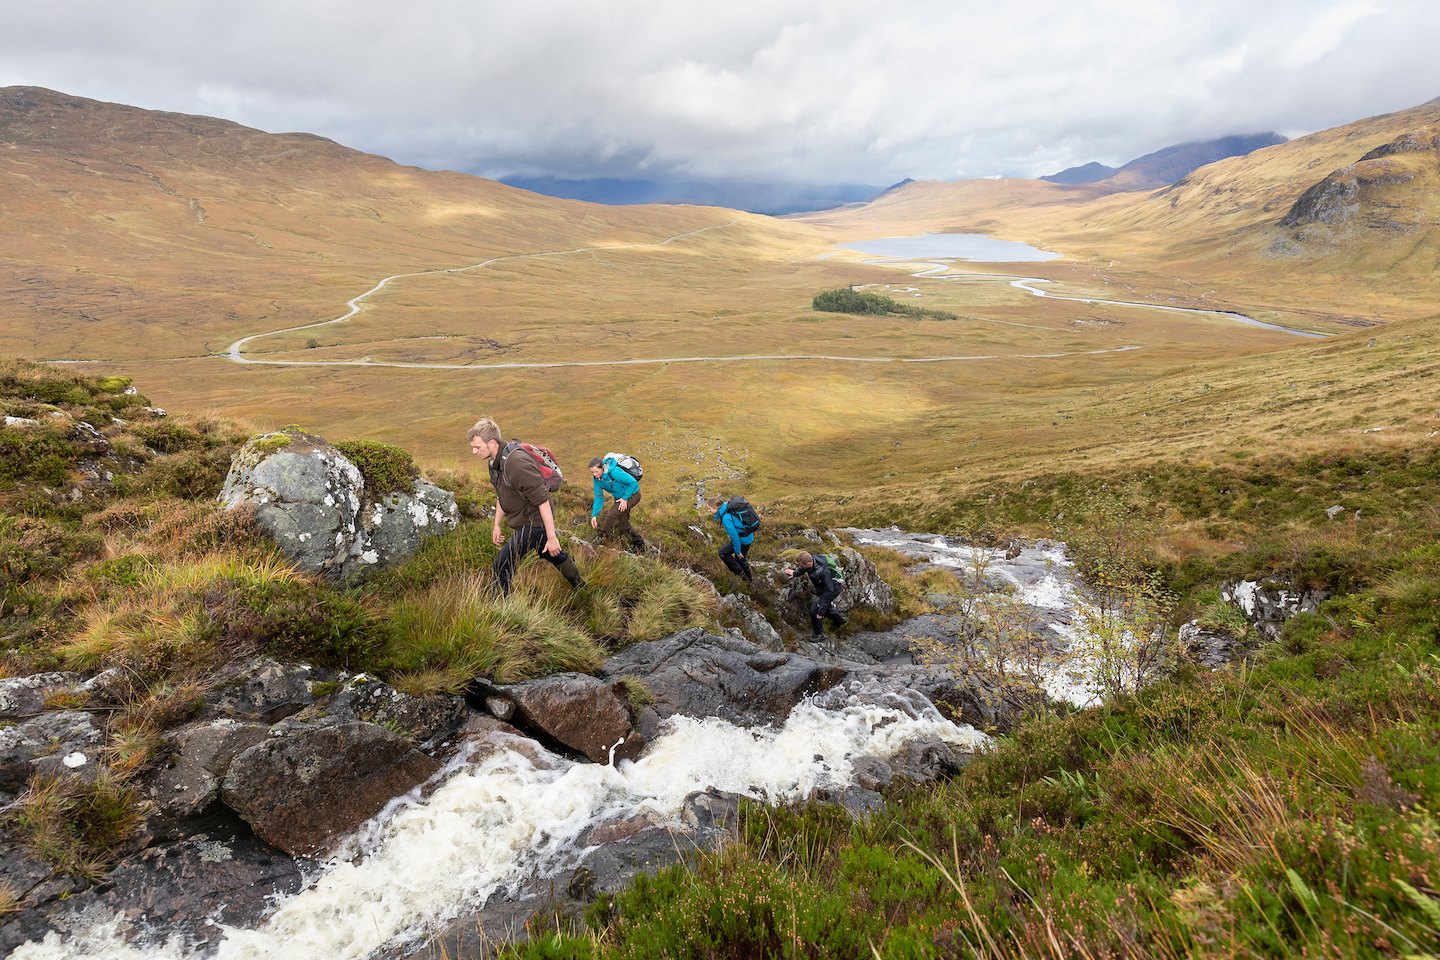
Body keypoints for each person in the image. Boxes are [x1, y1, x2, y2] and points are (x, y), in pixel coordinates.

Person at [468, 417, 584, 596]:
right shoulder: (494, 462)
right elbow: (502, 494)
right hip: (525, 520)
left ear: (491, 443)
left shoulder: (516, 463)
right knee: (551, 553)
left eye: (477, 447)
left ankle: (499, 607)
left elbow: (542, 499)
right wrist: (497, 524)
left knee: (502, 563)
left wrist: (552, 536)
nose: (474, 452)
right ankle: (580, 585)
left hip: (534, 522)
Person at [784, 550, 847, 644]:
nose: (800, 567)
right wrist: (794, 573)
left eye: (801, 565)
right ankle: (840, 621)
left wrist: (821, 612)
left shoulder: (824, 571)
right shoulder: (812, 560)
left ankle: (819, 634)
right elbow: (805, 569)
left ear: (809, 563)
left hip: (832, 590)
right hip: (825, 588)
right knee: (826, 607)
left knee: (815, 610)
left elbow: (829, 592)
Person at [589, 456, 645, 551]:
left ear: (602, 467)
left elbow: (633, 483)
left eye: (596, 471)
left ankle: (602, 537)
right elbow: (599, 497)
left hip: (633, 495)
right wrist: (594, 514)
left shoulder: (615, 472)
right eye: (592, 472)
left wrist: (624, 498)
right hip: (620, 498)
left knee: (611, 514)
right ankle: (639, 544)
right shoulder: (597, 479)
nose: (595, 475)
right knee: (622, 525)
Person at [706, 495, 754, 582]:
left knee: (724, 553)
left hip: (743, 540)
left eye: (709, 508)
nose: (708, 510)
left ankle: (743, 578)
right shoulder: (726, 507)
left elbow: (734, 536)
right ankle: (748, 579)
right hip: (747, 537)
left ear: (715, 508)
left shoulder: (726, 518)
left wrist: (738, 551)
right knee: (740, 559)